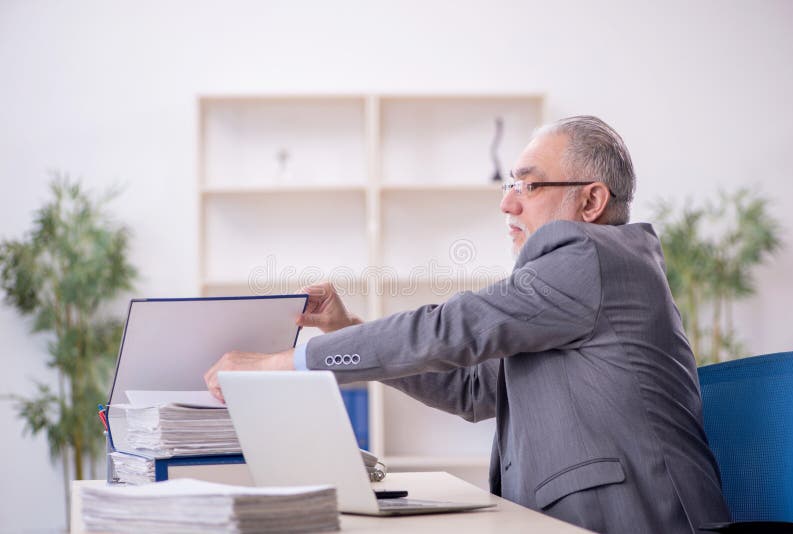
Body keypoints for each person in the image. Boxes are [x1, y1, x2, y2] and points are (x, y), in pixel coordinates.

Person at [204, 116, 730, 533]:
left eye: (529, 184)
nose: (507, 202)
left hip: (636, 518)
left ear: (591, 201)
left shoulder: (589, 256)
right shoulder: (573, 289)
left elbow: (449, 327)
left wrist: (284, 365)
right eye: (510, 184)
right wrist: (341, 331)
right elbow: (472, 389)